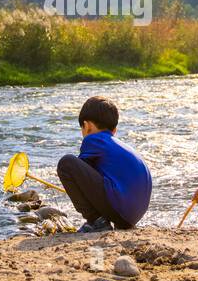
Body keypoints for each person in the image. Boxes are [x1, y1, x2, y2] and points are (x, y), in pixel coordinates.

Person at [57, 96, 152, 233]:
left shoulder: (94, 140)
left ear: (87, 126)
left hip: (122, 210)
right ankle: (102, 220)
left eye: (82, 129)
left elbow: (79, 174)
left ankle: (97, 221)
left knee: (67, 164)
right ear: (114, 130)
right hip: (133, 215)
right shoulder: (116, 145)